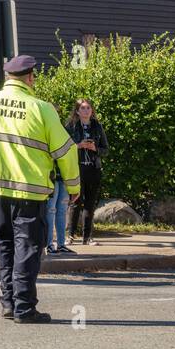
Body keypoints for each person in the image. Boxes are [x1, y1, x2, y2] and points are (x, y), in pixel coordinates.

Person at [0, 55, 80, 324]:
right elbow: (65, 151)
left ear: (8, 78)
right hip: (29, 192)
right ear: (30, 78)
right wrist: (74, 185)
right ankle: (24, 307)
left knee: (5, 244)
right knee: (28, 248)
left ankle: (8, 302)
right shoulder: (41, 108)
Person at [65, 99, 108, 247]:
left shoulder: (97, 126)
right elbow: (63, 147)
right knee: (75, 202)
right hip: (77, 168)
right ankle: (70, 235)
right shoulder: (71, 126)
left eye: (88, 108)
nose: (86, 110)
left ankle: (87, 237)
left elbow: (106, 150)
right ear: (77, 111)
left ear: (92, 110)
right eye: (82, 108)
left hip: (93, 168)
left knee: (90, 204)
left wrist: (95, 148)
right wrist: (78, 146)